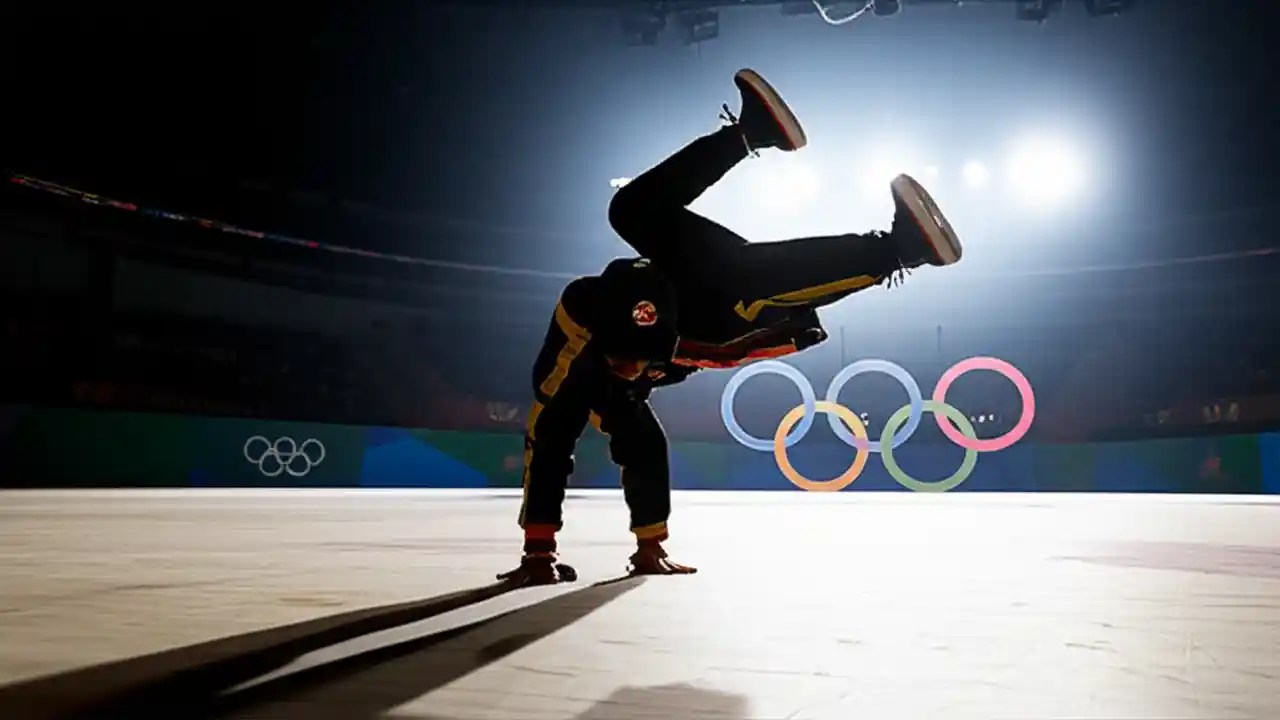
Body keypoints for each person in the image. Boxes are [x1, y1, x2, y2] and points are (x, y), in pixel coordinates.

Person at [502, 68, 962, 585]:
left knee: (634, 211)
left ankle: (754, 134)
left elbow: (604, 374)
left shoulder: (596, 317)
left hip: (656, 290)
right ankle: (899, 248)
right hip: (700, 315)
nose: (634, 373)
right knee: (741, 285)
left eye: (634, 364)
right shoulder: (594, 389)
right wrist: (538, 555)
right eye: (631, 368)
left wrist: (645, 348)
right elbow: (572, 446)